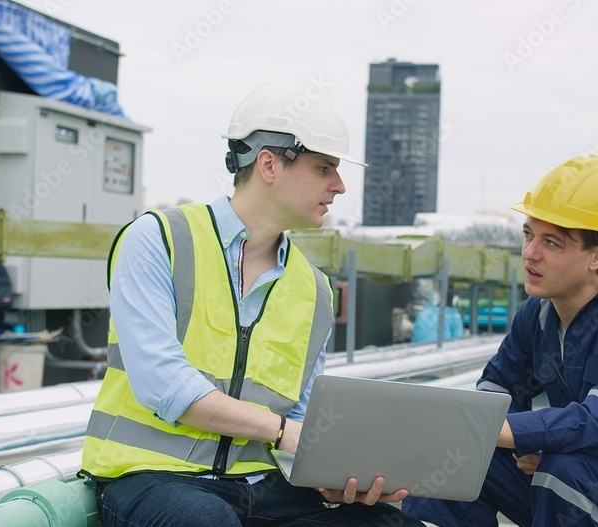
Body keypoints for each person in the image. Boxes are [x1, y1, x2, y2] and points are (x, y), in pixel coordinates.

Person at [79, 79, 425, 527]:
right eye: (324, 168)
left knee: (390, 524)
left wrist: (330, 477)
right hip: (155, 480)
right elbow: (164, 385)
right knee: (203, 520)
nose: (339, 186)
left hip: (263, 488)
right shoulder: (159, 239)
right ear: (269, 164)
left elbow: (301, 417)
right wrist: (281, 433)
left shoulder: (315, 290)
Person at [403, 155, 598, 526]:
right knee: (458, 451)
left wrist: (517, 433)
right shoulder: (538, 314)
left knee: (563, 466)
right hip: (577, 483)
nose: (530, 253)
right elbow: (497, 388)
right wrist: (485, 428)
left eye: (551, 243)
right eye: (528, 235)